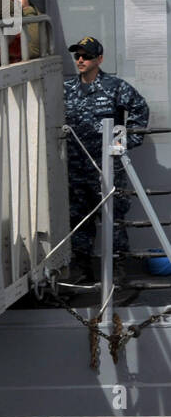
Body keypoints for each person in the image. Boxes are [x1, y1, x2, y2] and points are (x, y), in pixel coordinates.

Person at [63, 35, 149, 283]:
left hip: (107, 167)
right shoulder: (67, 89)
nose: (80, 60)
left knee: (114, 217)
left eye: (86, 56)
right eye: (77, 55)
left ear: (99, 59)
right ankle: (81, 268)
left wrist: (122, 143)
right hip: (76, 167)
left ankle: (119, 269)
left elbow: (140, 110)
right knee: (79, 219)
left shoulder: (114, 87)